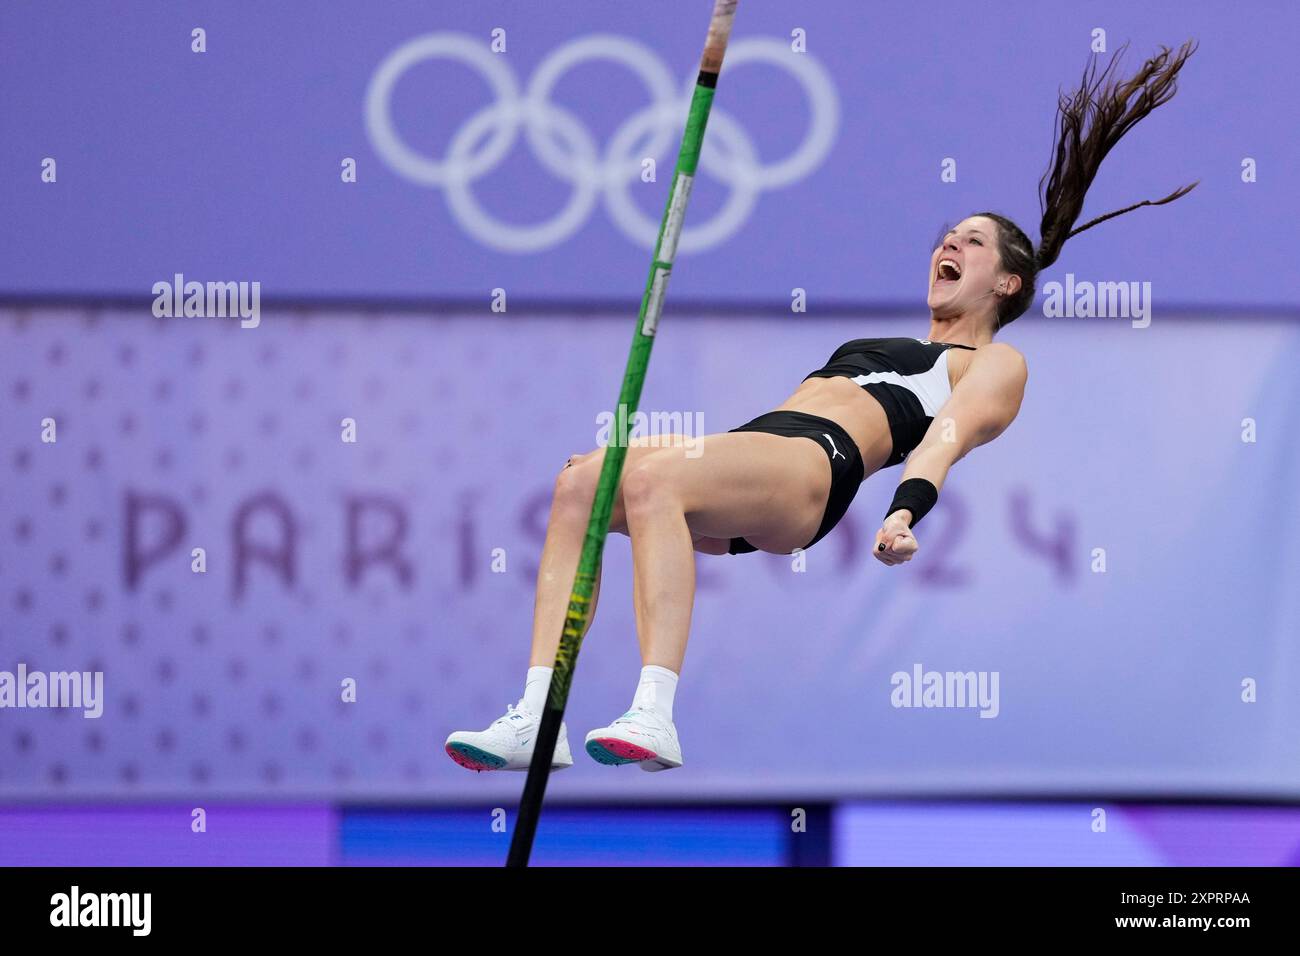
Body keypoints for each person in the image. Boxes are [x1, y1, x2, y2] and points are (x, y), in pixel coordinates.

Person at [445, 40, 1198, 774]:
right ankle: (538, 716)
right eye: (947, 235)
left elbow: (947, 438)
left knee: (650, 480)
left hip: (817, 468)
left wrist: (905, 510)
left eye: (972, 242)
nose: (950, 244)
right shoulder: (886, 339)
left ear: (1007, 285)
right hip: (760, 452)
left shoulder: (991, 363)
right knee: (581, 481)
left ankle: (655, 712)